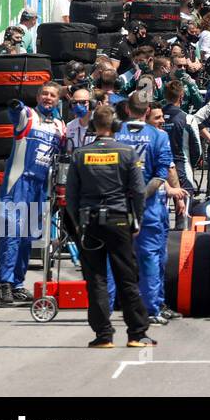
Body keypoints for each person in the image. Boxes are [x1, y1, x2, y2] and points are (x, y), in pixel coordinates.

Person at [65, 104, 154, 348]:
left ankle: (103, 335)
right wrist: (137, 218)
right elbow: (137, 191)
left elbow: (71, 196)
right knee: (126, 277)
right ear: (116, 126)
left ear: (94, 127)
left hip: (89, 220)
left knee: (96, 279)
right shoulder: (127, 153)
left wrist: (78, 223)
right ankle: (136, 333)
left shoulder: (80, 154)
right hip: (119, 220)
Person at [113, 90, 183, 325]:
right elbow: (161, 174)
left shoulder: (115, 134)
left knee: (114, 256)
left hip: (117, 203)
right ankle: (151, 309)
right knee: (151, 257)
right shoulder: (159, 136)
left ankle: (110, 309)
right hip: (149, 206)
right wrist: (141, 196)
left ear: (127, 110)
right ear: (146, 111)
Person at [0, 83, 67, 304]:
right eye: (44, 94)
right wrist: (14, 104)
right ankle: (5, 283)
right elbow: (15, 111)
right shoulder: (27, 115)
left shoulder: (59, 125)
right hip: (18, 183)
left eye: (52, 95)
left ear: (58, 100)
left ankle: (18, 283)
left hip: (40, 188)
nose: (48, 98)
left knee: (28, 237)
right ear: (37, 96)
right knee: (12, 233)